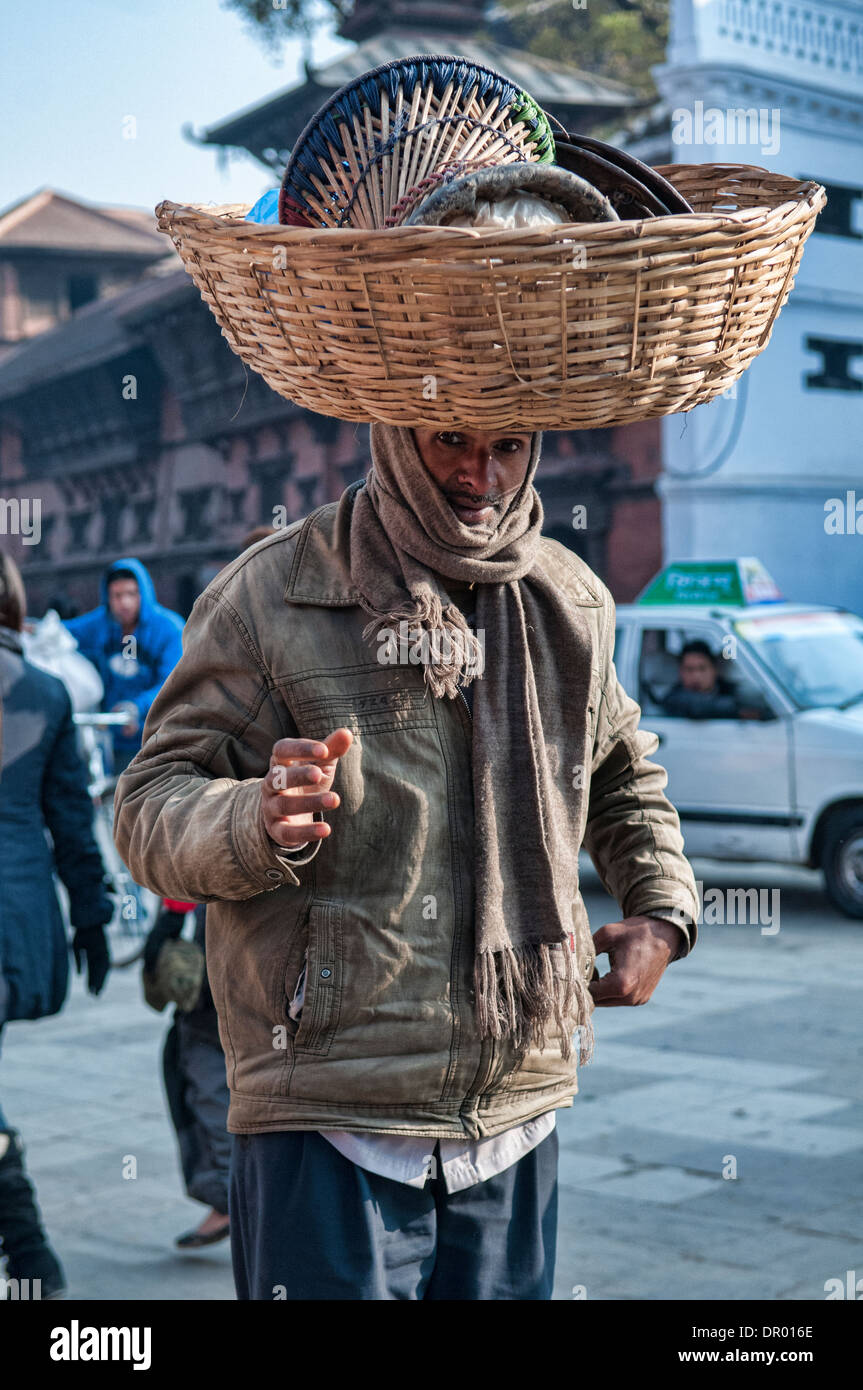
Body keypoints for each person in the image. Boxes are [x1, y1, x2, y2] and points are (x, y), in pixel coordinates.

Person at [114, 425, 700, 1302]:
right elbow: (147, 804)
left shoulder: (567, 598)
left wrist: (660, 908)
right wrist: (255, 816)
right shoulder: (271, 593)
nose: (479, 475)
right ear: (393, 436)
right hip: (328, 1110)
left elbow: (620, 776)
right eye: (450, 441)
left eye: (506, 445)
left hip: (516, 1103)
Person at [0, 553, 114, 1300]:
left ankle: (30, 1245)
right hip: (16, 923)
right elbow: (72, 819)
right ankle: (31, 1252)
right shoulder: (43, 690)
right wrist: (94, 916)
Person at [65, 558, 184, 776]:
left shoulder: (169, 630)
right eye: (117, 596)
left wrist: (137, 708)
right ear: (107, 598)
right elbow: (62, 633)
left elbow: (173, 684)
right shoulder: (100, 624)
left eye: (131, 594)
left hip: (159, 738)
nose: (124, 603)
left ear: (144, 593)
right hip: (113, 738)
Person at [661, 639, 762, 720]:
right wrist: (738, 710)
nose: (696, 675)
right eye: (689, 669)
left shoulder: (729, 689)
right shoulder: (673, 698)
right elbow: (698, 707)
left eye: (702, 668)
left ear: (714, 670)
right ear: (681, 672)